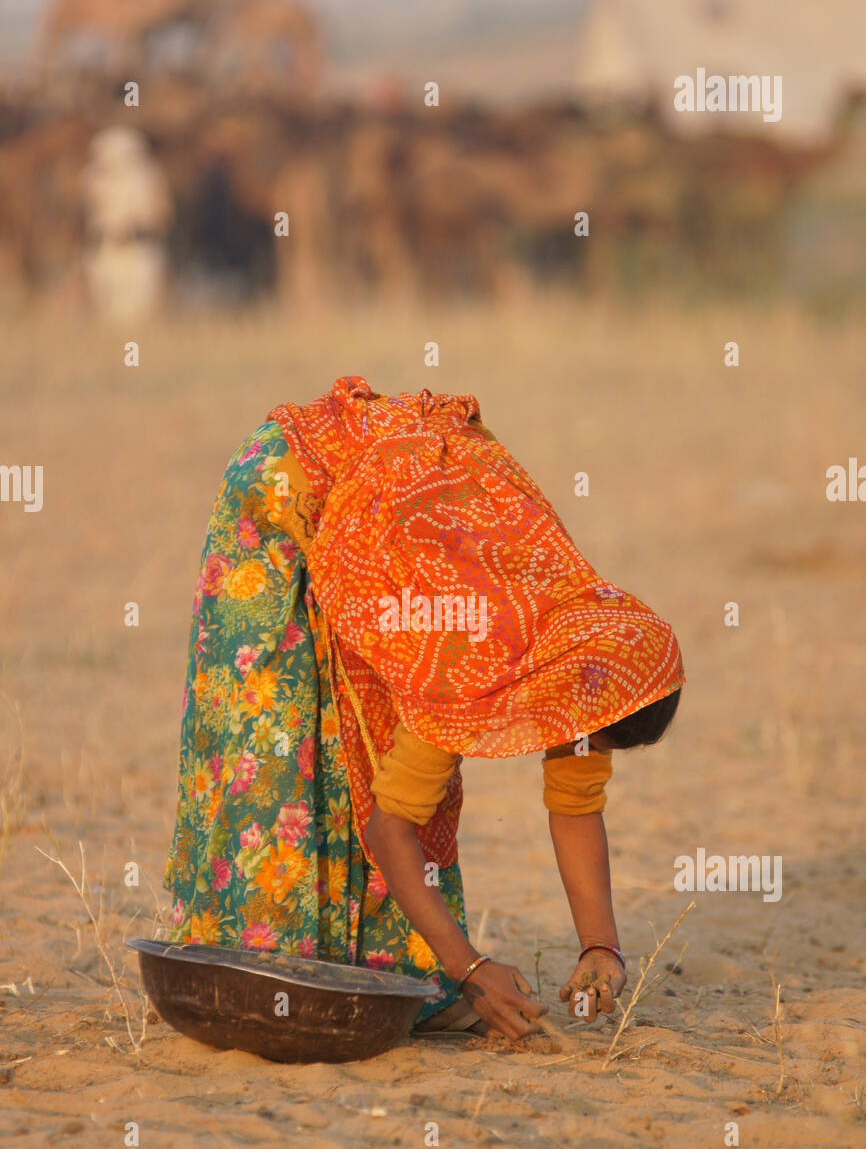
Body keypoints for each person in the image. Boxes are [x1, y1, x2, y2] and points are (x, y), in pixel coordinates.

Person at [165, 375, 684, 1040]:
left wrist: (601, 949)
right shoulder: (469, 650)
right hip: (285, 483)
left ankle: (388, 969)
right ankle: (261, 964)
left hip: (387, 520)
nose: (575, 745)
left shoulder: (582, 652)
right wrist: (470, 967)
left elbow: (576, 804)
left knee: (370, 743)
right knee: (276, 729)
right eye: (584, 738)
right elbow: (390, 829)